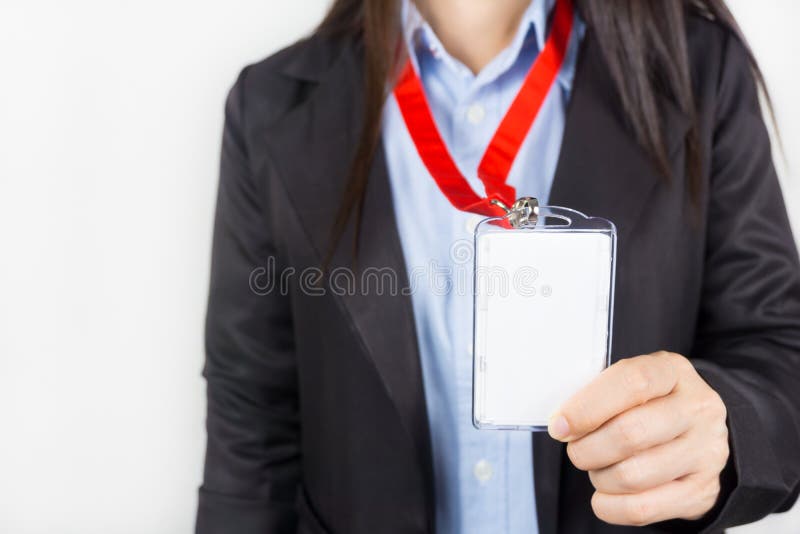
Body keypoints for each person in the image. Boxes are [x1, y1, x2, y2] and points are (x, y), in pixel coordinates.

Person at [195, 0, 800, 532]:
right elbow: (250, 444)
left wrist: (726, 430)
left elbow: (781, 352)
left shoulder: (697, 71)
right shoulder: (272, 107)